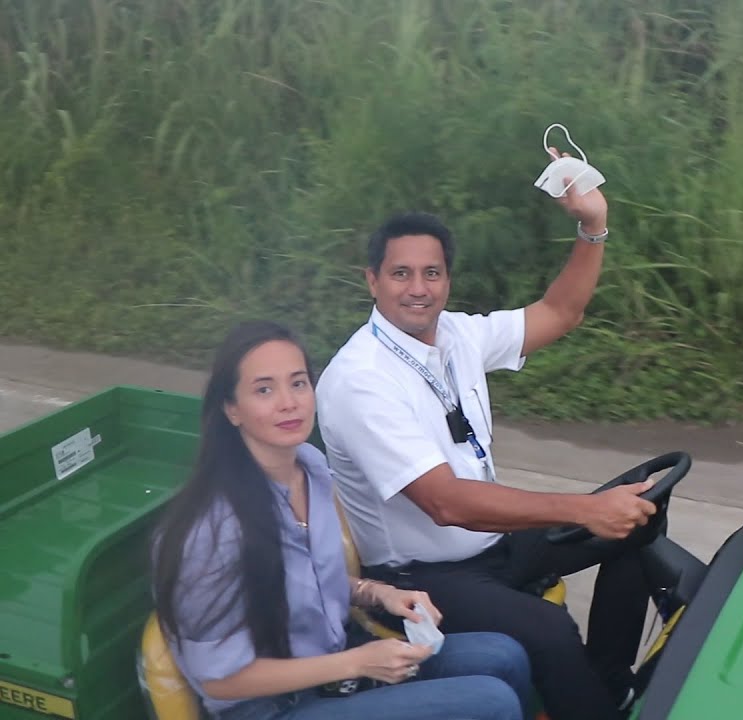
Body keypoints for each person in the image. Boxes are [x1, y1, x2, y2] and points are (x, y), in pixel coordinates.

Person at [315, 154, 659, 720]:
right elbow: (446, 503)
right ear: (372, 280)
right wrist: (584, 508)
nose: (419, 289)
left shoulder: (457, 335)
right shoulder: (360, 381)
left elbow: (561, 310)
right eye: (401, 273)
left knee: (642, 520)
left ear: (447, 278)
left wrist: (592, 226)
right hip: (423, 576)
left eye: (432, 273)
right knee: (547, 628)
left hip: (493, 546)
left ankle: (604, 684)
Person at [150, 320, 534, 720]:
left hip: (333, 666)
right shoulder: (211, 531)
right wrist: (357, 664)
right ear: (231, 409)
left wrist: (378, 593)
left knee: (504, 655)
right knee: (493, 702)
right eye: (264, 389)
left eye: (298, 383)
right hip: (274, 707)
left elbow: (303, 577)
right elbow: (219, 681)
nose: (288, 402)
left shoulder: (311, 469)